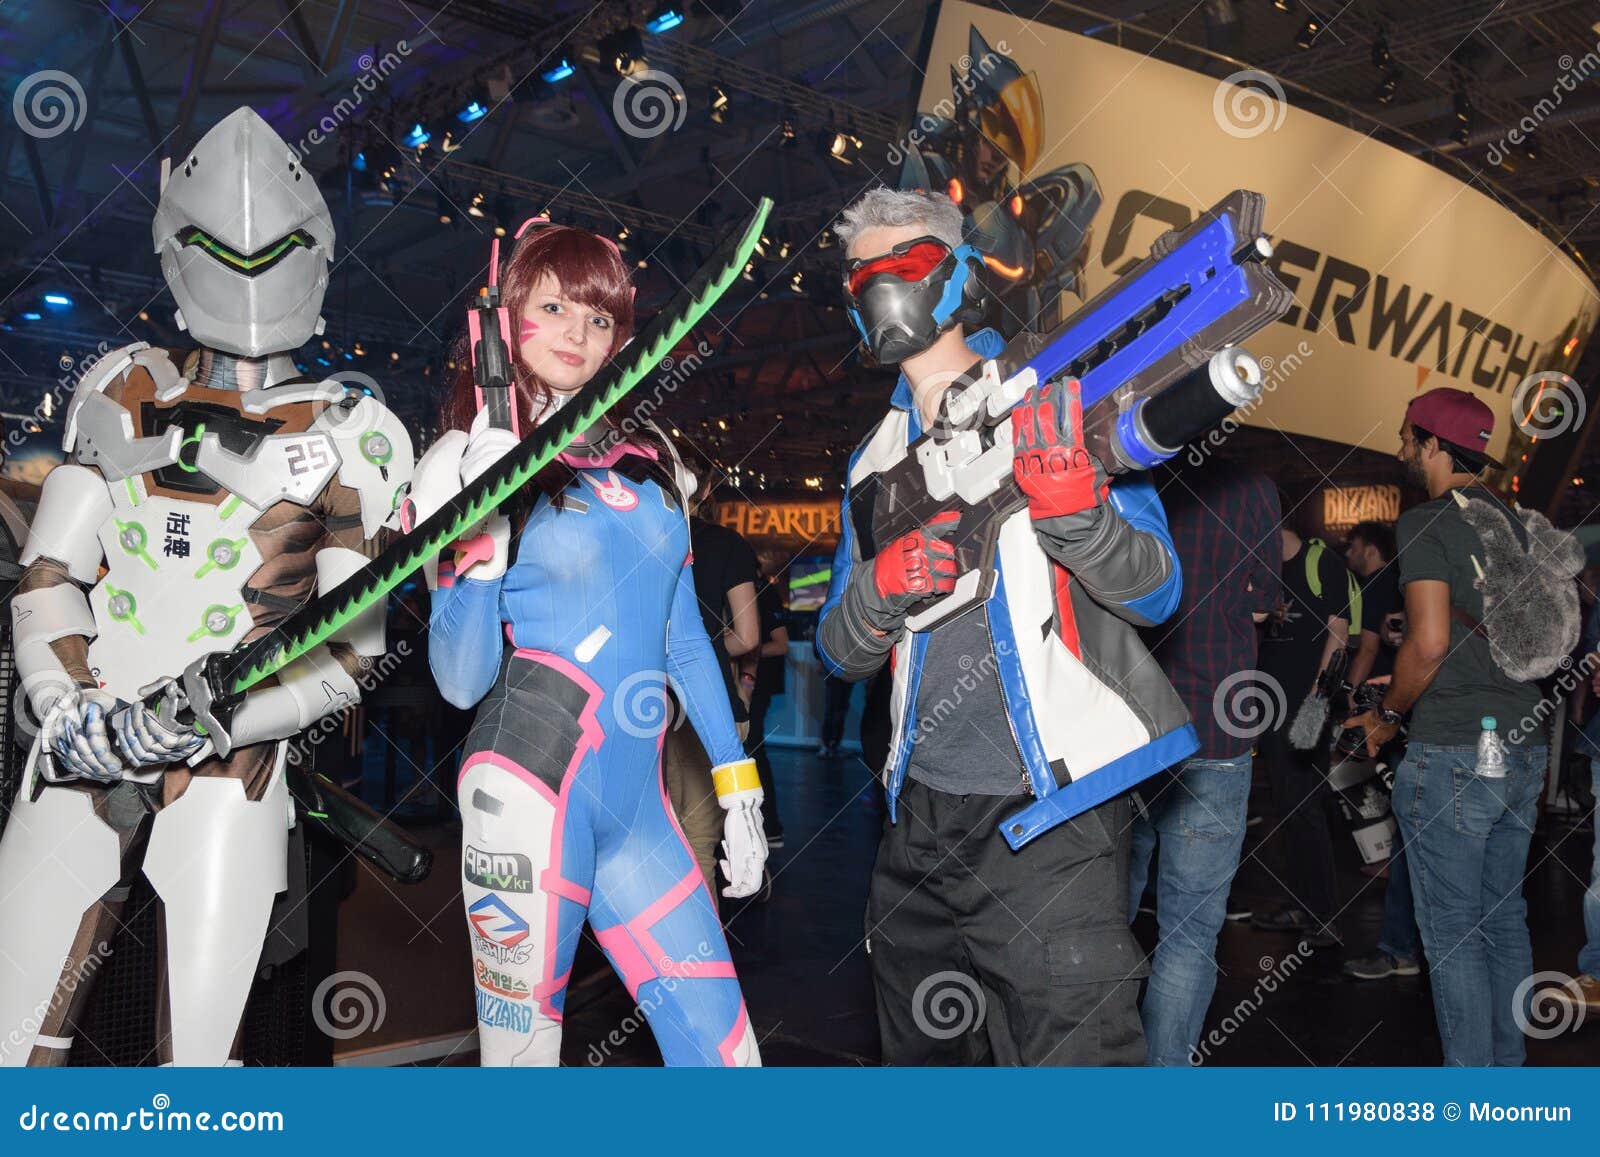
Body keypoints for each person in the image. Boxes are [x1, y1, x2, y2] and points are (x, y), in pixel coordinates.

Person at [0, 108, 415, 1065]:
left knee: (199, 1073)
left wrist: (219, 722)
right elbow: (51, 574)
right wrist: (65, 706)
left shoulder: (354, 431)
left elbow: (352, 652)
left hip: (231, 769)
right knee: (19, 1039)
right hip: (86, 743)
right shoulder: (121, 390)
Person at [817, 187, 1192, 1065]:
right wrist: (877, 589)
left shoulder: (1057, 395)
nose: (881, 288)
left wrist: (1078, 518)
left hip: (1049, 817)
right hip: (917, 819)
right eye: (860, 274)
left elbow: (1156, 589)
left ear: (959, 281)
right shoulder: (873, 463)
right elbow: (838, 651)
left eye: (904, 265)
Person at [414, 219, 765, 1067]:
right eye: (554, 306)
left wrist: (738, 780)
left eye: (600, 318)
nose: (578, 332)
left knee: (727, 1059)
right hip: (526, 793)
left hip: (641, 810)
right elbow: (459, 681)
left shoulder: (650, 464)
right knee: (525, 1069)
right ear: (505, 319)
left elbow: (685, 637)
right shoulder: (458, 464)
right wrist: (483, 535)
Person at [1345, 387, 1561, 1066]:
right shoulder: (1523, 523)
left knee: (1454, 935)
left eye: (1410, 436)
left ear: (1435, 444)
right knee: (1503, 921)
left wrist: (1384, 718)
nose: (1403, 447)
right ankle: (1507, 1087)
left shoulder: (1425, 522)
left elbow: (1431, 644)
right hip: (1521, 747)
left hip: (1453, 749)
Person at [1128, 458, 1281, 1065]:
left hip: (1129, 730)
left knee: (1101, 915)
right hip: (1216, 728)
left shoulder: (1131, 469)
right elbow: (1263, 606)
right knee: (1189, 935)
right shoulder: (1253, 484)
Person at [1251, 515, 1355, 947]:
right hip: (1272, 707)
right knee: (1290, 807)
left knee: (1306, 807)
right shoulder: (1268, 568)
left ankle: (1325, 916)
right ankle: (1302, 904)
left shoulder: (1320, 562)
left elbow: (1340, 636)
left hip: (1306, 707)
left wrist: (1317, 701)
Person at [1338, 520, 1423, 982]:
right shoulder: (1444, 573)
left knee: (1413, 831)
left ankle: (1401, 948)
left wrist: (1351, 701)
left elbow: (1370, 649)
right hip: (1428, 715)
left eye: (1351, 547)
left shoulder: (1384, 583)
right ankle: (1410, 946)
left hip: (1401, 716)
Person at [662, 501, 760, 894]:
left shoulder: (640, 533)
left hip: (646, 707)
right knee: (701, 846)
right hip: (712, 702)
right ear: (703, 488)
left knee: (655, 847)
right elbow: (749, 637)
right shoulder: (724, 543)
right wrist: (718, 658)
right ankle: (700, 954)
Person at [740, 565, 791, 848]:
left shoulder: (764, 594)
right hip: (751, 682)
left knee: (754, 750)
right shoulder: (755, 592)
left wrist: (742, 649)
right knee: (751, 751)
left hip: (758, 685)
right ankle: (761, 826)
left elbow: (781, 645)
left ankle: (769, 826)